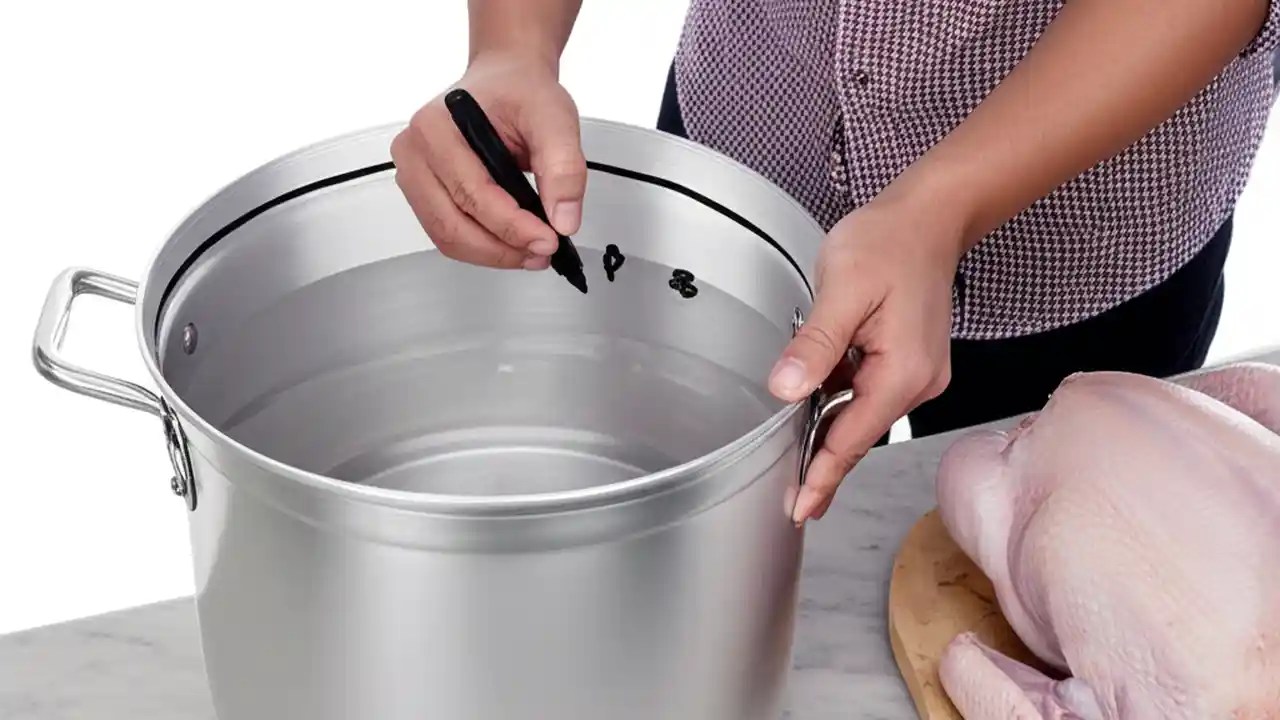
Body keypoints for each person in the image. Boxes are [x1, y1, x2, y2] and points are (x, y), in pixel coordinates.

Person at [390, 0, 1279, 524]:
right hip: (754, 121)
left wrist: (941, 208)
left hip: (1087, 216)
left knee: (1061, 561)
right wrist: (511, 42)